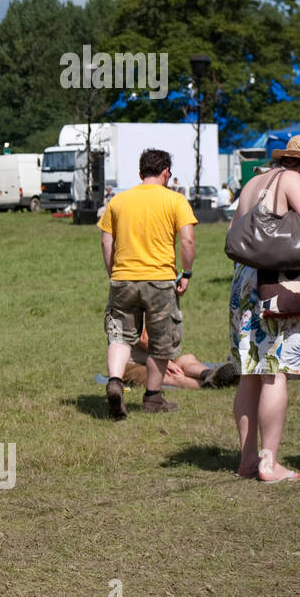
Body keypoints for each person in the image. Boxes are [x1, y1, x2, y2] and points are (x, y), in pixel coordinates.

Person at [227, 135, 300, 482]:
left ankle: (248, 461)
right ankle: (269, 463)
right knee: (275, 370)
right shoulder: (291, 179)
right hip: (275, 285)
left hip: (243, 282)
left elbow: (236, 233)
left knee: (249, 372)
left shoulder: (254, 181)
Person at [96, 149, 197, 419]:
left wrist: (112, 271)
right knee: (162, 340)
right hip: (161, 279)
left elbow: (107, 241)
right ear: (165, 171)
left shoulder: (118, 201)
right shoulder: (175, 200)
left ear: (141, 173)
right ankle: (153, 398)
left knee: (120, 336)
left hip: (123, 277)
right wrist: (186, 273)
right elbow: (187, 240)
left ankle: (115, 382)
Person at [120, 326, 238, 391]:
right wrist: (164, 360)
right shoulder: (133, 303)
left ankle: (212, 374)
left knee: (188, 358)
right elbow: (143, 339)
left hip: (159, 358)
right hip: (134, 364)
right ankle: (210, 385)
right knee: (169, 376)